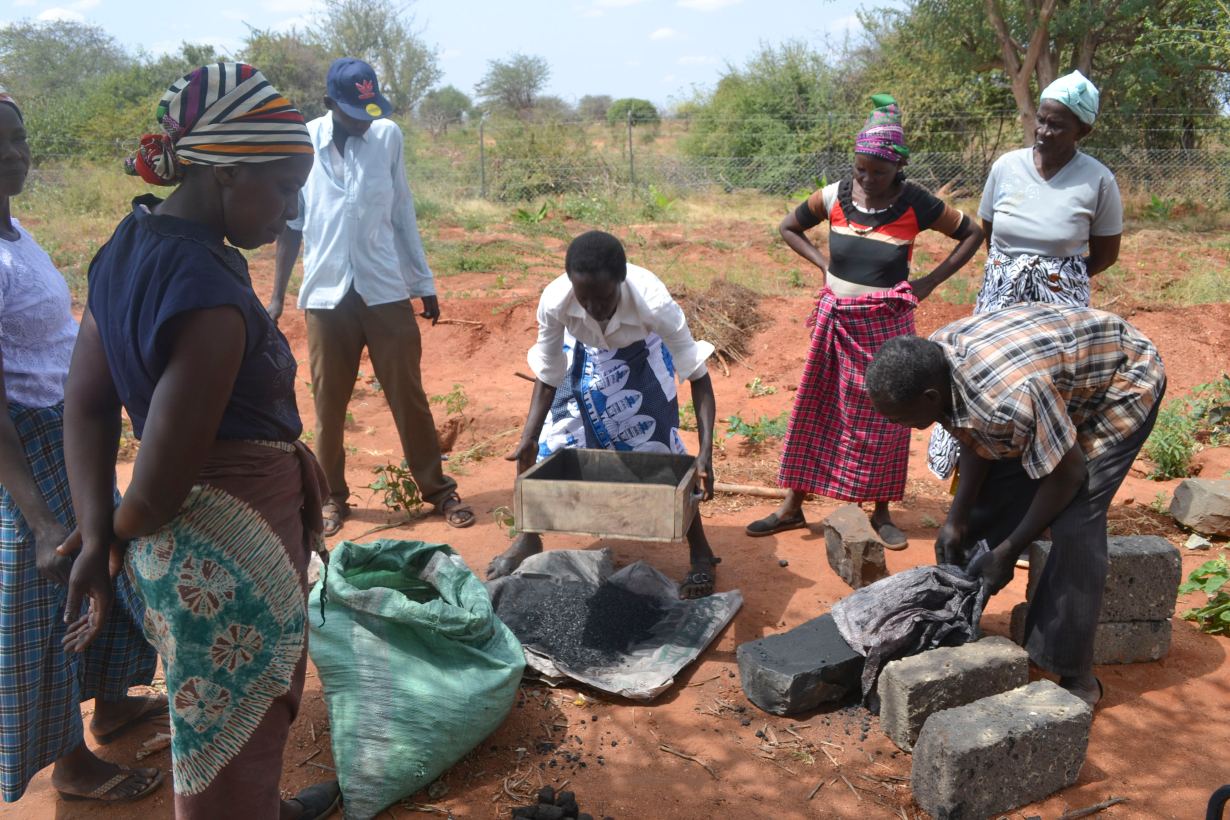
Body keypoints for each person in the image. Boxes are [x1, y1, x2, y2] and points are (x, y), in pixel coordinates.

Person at [59, 63, 339, 819]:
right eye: (282, 187)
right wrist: (112, 534)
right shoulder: (212, 298)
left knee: (212, 706)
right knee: (241, 704)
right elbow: (156, 489)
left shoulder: (127, 245)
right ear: (222, 174)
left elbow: (85, 406)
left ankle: (263, 809)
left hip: (171, 559)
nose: (289, 211)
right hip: (224, 551)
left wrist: (95, 532)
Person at [865, 304, 1165, 706]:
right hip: (1054, 380)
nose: (893, 424)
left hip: (1121, 382)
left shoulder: (1009, 396)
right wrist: (957, 518)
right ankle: (959, 618)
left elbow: (1067, 474)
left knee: (1075, 520)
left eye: (898, 417)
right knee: (984, 505)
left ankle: (1075, 671)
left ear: (929, 396)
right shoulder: (934, 363)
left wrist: (1008, 550)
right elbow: (975, 434)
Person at [0, 88, 165, 807]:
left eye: (19, 140)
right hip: (25, 453)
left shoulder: (14, 234)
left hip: (61, 432)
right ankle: (69, 762)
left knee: (112, 573)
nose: (14, 156)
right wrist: (36, 520)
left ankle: (116, 704)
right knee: (51, 598)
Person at [746, 94, 982, 546]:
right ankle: (794, 506)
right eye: (861, 169)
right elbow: (788, 227)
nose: (868, 179)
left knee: (885, 416)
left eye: (879, 171)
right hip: (835, 322)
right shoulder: (834, 195)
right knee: (815, 409)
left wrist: (930, 281)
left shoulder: (917, 204)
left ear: (898, 169)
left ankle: (881, 510)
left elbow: (972, 232)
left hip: (885, 326)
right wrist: (823, 266)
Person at [268, 57, 472, 536]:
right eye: (355, 110)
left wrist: (423, 283)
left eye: (370, 107)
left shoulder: (388, 137)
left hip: (384, 290)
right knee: (328, 405)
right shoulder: (304, 144)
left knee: (409, 395)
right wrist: (276, 298)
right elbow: (291, 228)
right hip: (325, 294)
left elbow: (402, 212)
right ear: (329, 105)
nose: (365, 118)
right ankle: (329, 499)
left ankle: (438, 490)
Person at [491, 230, 720, 598]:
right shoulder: (555, 301)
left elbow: (697, 374)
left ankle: (701, 552)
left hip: (640, 353)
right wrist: (529, 434)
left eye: (604, 298)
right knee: (550, 443)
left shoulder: (654, 303)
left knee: (661, 452)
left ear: (621, 280)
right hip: (578, 352)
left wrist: (706, 451)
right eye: (585, 300)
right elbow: (549, 373)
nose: (594, 310)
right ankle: (528, 537)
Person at [927, 70, 1122, 481]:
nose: (1044, 131)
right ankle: (976, 491)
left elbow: (1104, 254)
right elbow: (990, 232)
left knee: (1049, 392)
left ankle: (1038, 491)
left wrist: (1056, 277)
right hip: (1000, 296)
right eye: (1042, 119)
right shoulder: (1006, 166)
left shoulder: (1098, 180)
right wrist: (1012, 274)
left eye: (1057, 124)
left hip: (1059, 309)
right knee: (982, 381)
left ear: (1081, 130)